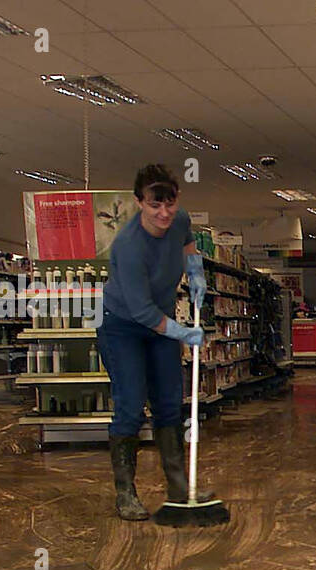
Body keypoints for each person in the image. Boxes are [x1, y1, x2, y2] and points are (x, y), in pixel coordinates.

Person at [98, 164, 210, 520]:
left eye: (170, 204)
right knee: (130, 405)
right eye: (154, 205)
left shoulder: (179, 220)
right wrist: (183, 333)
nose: (164, 213)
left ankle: (179, 487)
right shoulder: (129, 247)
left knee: (169, 403)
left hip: (159, 321)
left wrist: (196, 271)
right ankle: (125, 493)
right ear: (138, 203)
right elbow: (144, 313)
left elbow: (188, 241)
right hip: (123, 327)